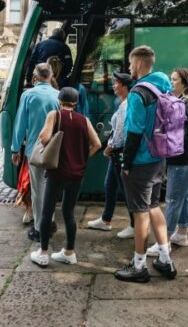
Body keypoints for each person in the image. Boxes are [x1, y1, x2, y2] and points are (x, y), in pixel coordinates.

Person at [114, 45, 177, 283]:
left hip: (140, 160)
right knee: (153, 207)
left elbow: (134, 131)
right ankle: (165, 259)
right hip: (159, 157)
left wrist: (126, 162)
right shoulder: (163, 83)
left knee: (140, 213)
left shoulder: (138, 93)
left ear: (139, 64)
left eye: (131, 64)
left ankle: (139, 266)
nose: (130, 69)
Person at [30, 87, 101, 266]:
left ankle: (43, 252)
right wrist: (82, 158)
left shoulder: (55, 115)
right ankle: (69, 252)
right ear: (75, 103)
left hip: (57, 171)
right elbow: (97, 144)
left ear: (59, 100)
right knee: (69, 213)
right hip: (77, 173)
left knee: (47, 211)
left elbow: (45, 138)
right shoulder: (84, 120)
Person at [147, 68, 188, 255]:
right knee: (183, 194)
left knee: (172, 198)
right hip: (186, 158)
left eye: (174, 80)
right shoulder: (185, 101)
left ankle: (163, 242)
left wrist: (163, 132)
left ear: (184, 82)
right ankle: (181, 233)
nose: (171, 83)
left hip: (184, 159)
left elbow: (184, 131)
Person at [11, 63, 59, 241]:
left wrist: (16, 149)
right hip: (55, 150)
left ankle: (40, 228)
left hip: (35, 150)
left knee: (38, 190)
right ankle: (51, 220)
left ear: (35, 76)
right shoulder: (58, 95)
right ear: (51, 75)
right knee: (50, 188)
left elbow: (20, 124)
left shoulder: (28, 95)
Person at [87, 72, 135, 238]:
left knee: (125, 189)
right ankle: (106, 220)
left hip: (117, 153)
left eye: (116, 83)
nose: (113, 86)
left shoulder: (125, 105)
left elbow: (121, 132)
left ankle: (135, 225)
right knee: (110, 186)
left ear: (125, 86)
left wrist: (110, 147)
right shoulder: (123, 103)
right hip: (115, 153)